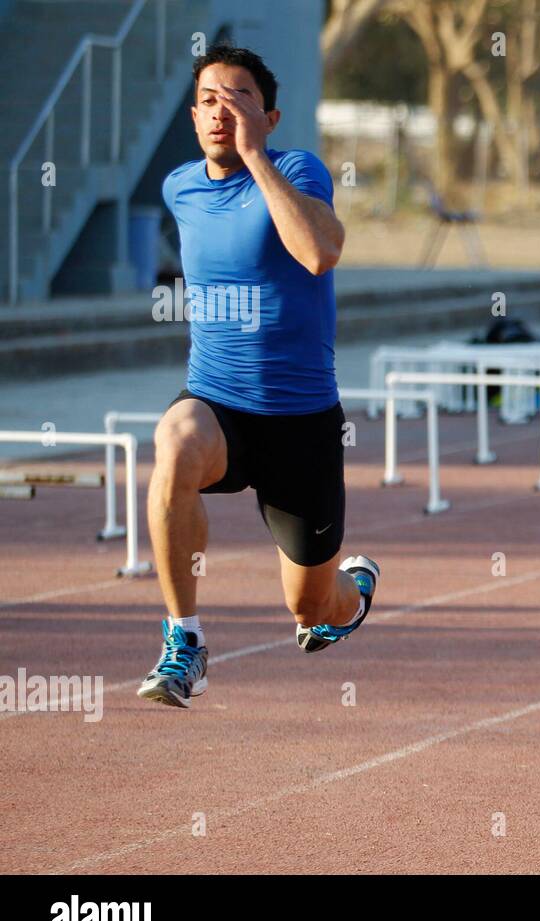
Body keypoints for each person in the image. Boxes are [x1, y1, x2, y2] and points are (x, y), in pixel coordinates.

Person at [136, 44, 380, 709]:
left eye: (240, 97)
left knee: (312, 609)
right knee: (174, 441)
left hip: (300, 419)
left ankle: (352, 591)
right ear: (193, 117)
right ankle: (184, 641)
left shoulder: (297, 169)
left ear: (269, 116)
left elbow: (320, 251)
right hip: (220, 403)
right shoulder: (179, 187)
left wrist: (255, 159)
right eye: (210, 99)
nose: (223, 110)